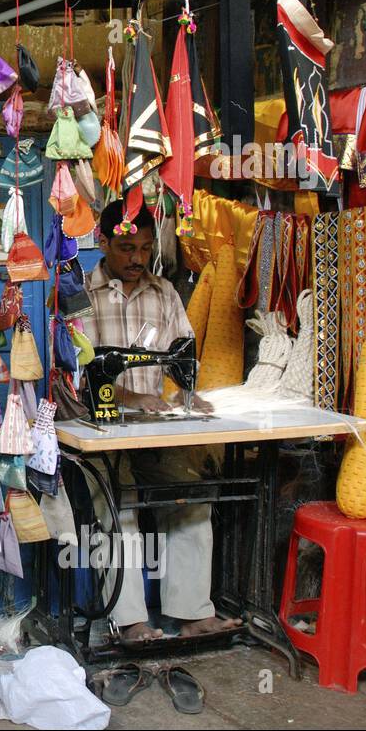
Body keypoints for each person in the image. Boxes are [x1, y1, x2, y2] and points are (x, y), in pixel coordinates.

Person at [78, 198, 240, 641]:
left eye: (146, 249)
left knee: (192, 496)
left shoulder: (164, 293)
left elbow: (180, 353)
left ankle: (191, 613)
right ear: (104, 242)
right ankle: (130, 621)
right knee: (118, 506)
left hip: (150, 431)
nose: (138, 259)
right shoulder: (80, 294)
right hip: (97, 430)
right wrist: (128, 395)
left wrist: (189, 391)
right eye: (127, 248)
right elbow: (81, 370)